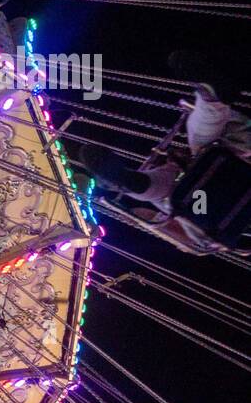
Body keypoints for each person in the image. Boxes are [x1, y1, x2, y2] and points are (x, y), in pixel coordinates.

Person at [79, 50, 250, 252]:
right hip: (215, 203)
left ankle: (212, 98)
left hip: (226, 177)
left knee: (205, 148)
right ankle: (136, 185)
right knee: (181, 197)